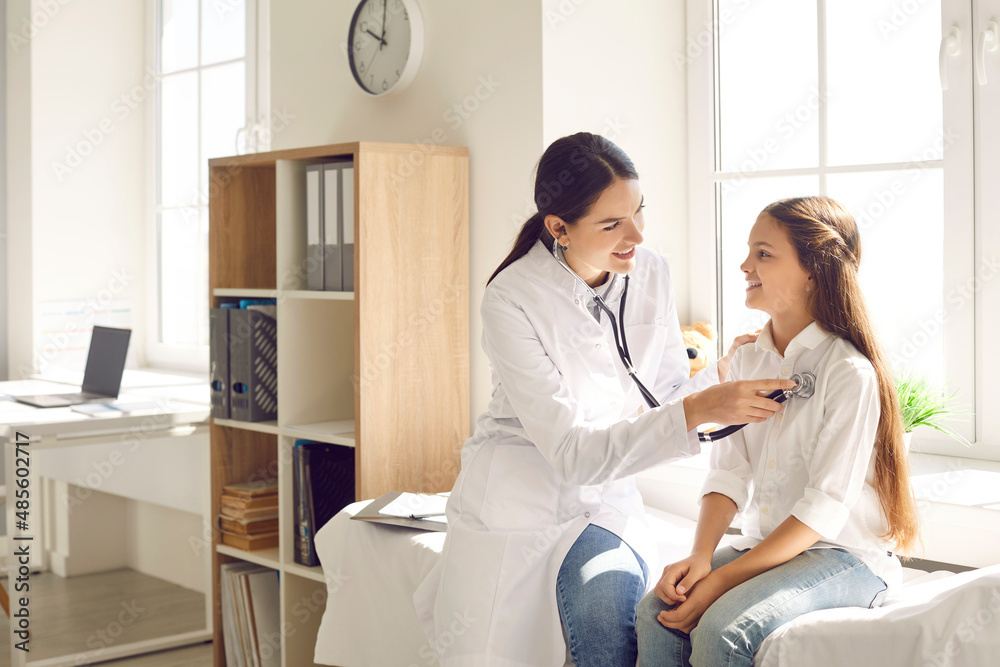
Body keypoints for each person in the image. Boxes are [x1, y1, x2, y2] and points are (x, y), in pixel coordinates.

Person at [413, 132, 794, 667]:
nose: (635, 235)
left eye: (638, 212)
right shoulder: (511, 299)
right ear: (558, 228)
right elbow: (570, 452)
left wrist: (718, 379)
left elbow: (662, 396)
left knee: (609, 626)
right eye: (612, 224)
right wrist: (701, 409)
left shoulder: (650, 272)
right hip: (521, 496)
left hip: (605, 502)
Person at [635, 196, 920, 667]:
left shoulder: (849, 372)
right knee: (656, 611)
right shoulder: (748, 360)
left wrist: (720, 582)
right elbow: (728, 474)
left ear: (814, 270)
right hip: (768, 548)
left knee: (723, 632)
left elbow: (822, 508)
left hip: (844, 556)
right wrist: (701, 557)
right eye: (749, 251)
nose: (745, 264)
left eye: (764, 254)